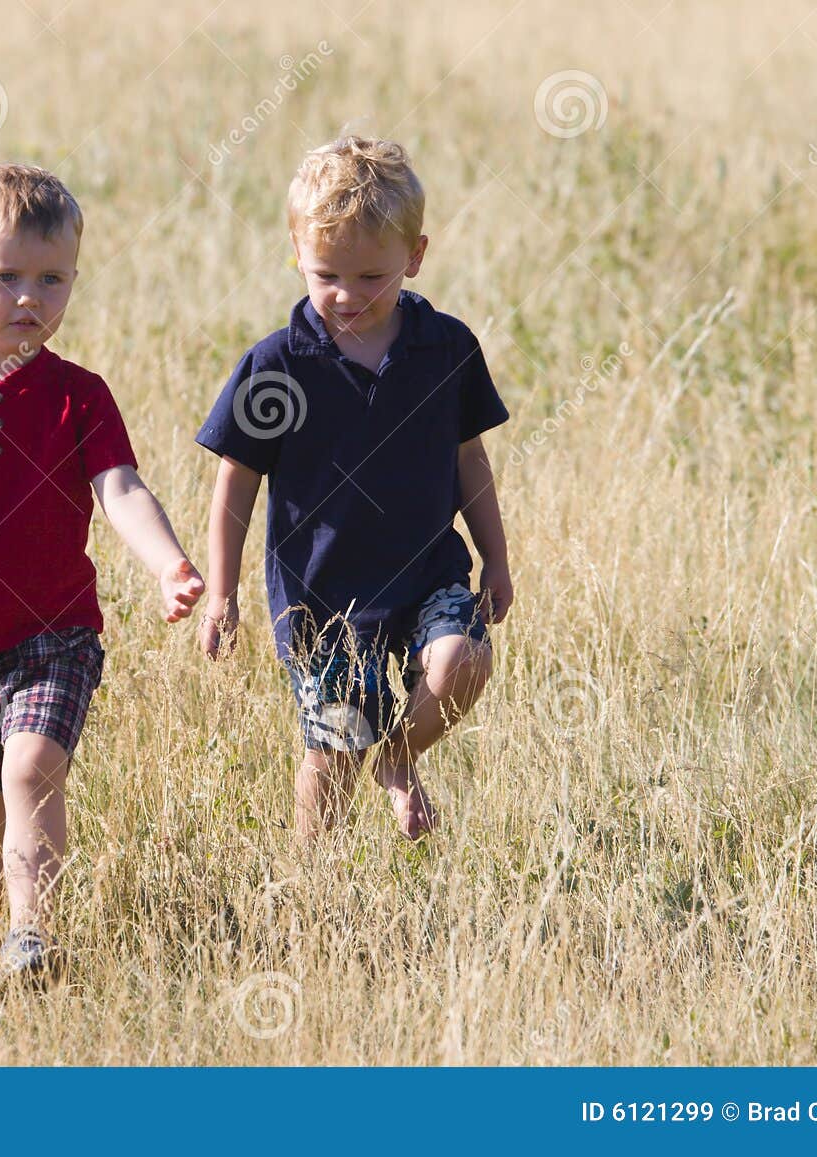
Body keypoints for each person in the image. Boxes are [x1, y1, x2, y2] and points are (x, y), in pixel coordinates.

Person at [0, 162, 204, 980]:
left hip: (58, 630)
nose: (30, 298)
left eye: (51, 280)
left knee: (31, 768)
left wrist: (169, 565)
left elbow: (119, 488)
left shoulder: (80, 396)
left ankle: (32, 935)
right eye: (6, 276)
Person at [195, 136, 512, 841]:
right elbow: (235, 481)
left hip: (429, 572)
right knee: (334, 750)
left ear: (416, 257)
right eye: (326, 274)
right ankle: (316, 885)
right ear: (297, 258)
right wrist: (222, 591)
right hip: (321, 598)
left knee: (465, 658)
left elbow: (469, 458)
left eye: (372, 276)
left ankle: (399, 756)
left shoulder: (445, 349)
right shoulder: (277, 365)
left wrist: (496, 556)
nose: (347, 295)